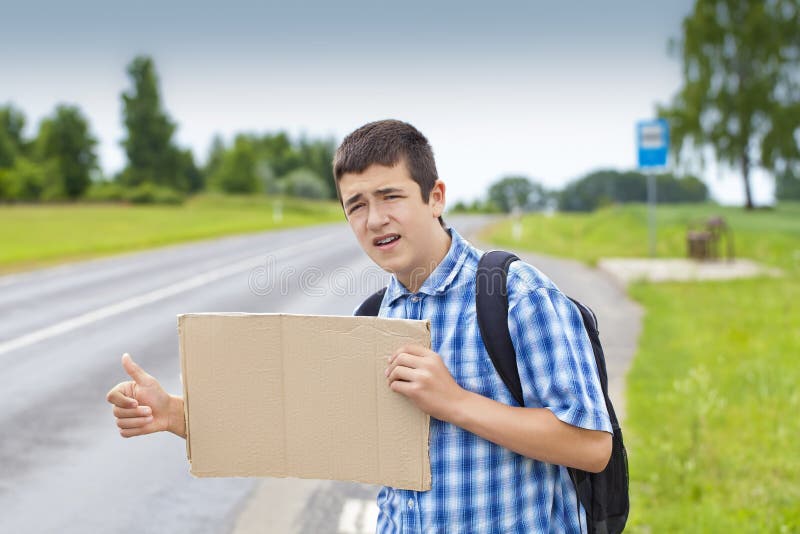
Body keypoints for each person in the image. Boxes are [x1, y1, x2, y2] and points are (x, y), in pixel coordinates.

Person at [107, 119, 612, 533]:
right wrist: (174, 413)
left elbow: (592, 446)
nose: (374, 220)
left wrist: (454, 402)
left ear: (434, 197)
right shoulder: (374, 318)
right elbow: (299, 430)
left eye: (390, 196)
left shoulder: (515, 296)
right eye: (357, 205)